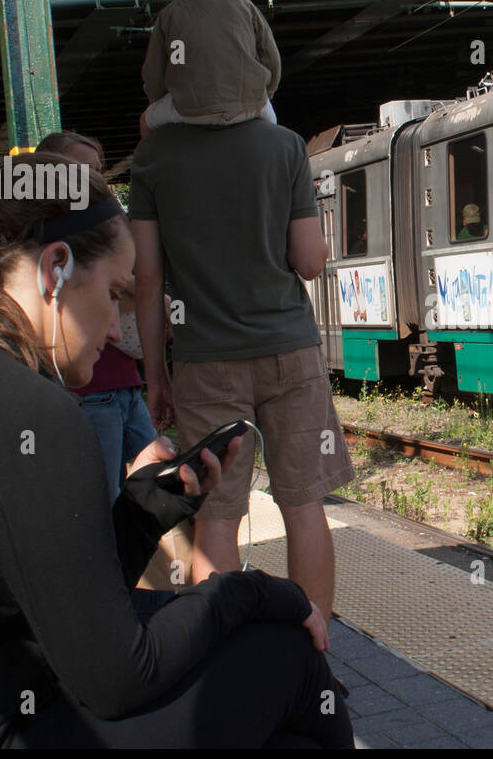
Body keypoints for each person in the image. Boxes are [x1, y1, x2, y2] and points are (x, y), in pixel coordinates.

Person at [0, 152, 351, 748]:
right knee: (291, 655)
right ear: (56, 269)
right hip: (5, 724)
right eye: (113, 294)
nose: (114, 330)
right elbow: (117, 676)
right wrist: (252, 591)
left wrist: (148, 507)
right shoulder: (28, 410)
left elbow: (57, 598)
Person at [130, 116, 356, 614]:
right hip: (289, 350)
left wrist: (155, 376)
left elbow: (147, 277)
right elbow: (310, 261)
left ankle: (221, 665)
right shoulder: (285, 146)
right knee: (303, 507)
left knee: (215, 515)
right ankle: (313, 662)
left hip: (204, 360)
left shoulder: (154, 157)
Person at [37, 131, 157, 504]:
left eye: (97, 169)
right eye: (80, 169)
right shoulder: (57, 236)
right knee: (103, 499)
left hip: (125, 384)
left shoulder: (105, 228)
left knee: (158, 484)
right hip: (90, 393)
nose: (94, 178)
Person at [139, 0, 282, 139]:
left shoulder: (168, 16)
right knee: (274, 128)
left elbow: (155, 73)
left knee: (146, 120)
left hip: (188, 109)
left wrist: (160, 99)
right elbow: (271, 59)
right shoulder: (245, 7)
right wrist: (264, 94)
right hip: (250, 105)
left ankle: (151, 166)